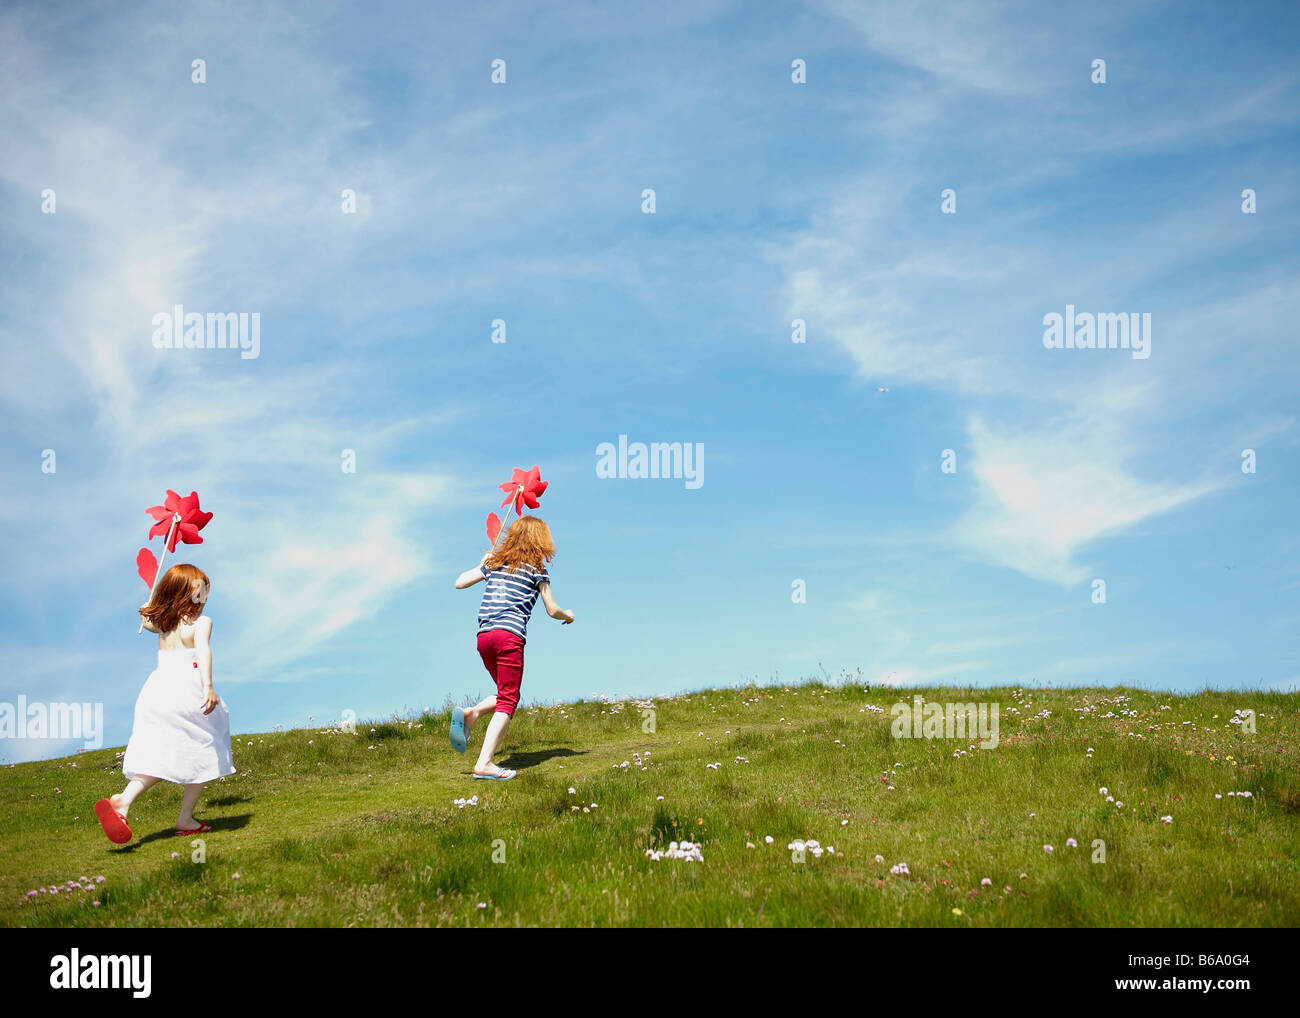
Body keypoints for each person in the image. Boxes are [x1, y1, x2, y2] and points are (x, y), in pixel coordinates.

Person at [94, 563, 235, 843]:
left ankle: (124, 801)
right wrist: (208, 686)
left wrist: (147, 606)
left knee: (161, 754)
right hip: (187, 691)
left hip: (156, 692)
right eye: (201, 592)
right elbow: (203, 651)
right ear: (188, 594)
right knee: (207, 748)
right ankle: (185, 817)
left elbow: (146, 620)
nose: (204, 598)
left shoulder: (163, 624)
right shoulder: (200, 624)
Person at [450, 515, 573, 779]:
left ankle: (471, 714)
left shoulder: (494, 563)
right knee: (508, 699)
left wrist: (482, 564)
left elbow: (459, 582)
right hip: (509, 637)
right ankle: (484, 763)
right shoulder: (536, 568)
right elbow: (552, 609)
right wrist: (569, 615)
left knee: (507, 693)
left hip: (484, 637)